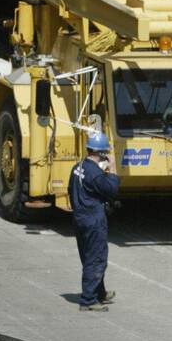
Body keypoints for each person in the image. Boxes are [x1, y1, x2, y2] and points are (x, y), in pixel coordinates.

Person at [69, 131, 120, 311]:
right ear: (101, 153)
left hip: (80, 217)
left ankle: (99, 292)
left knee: (88, 255)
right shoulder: (95, 174)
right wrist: (112, 168)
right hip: (93, 220)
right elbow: (112, 189)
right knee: (97, 259)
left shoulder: (78, 167)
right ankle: (89, 300)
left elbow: (72, 191)